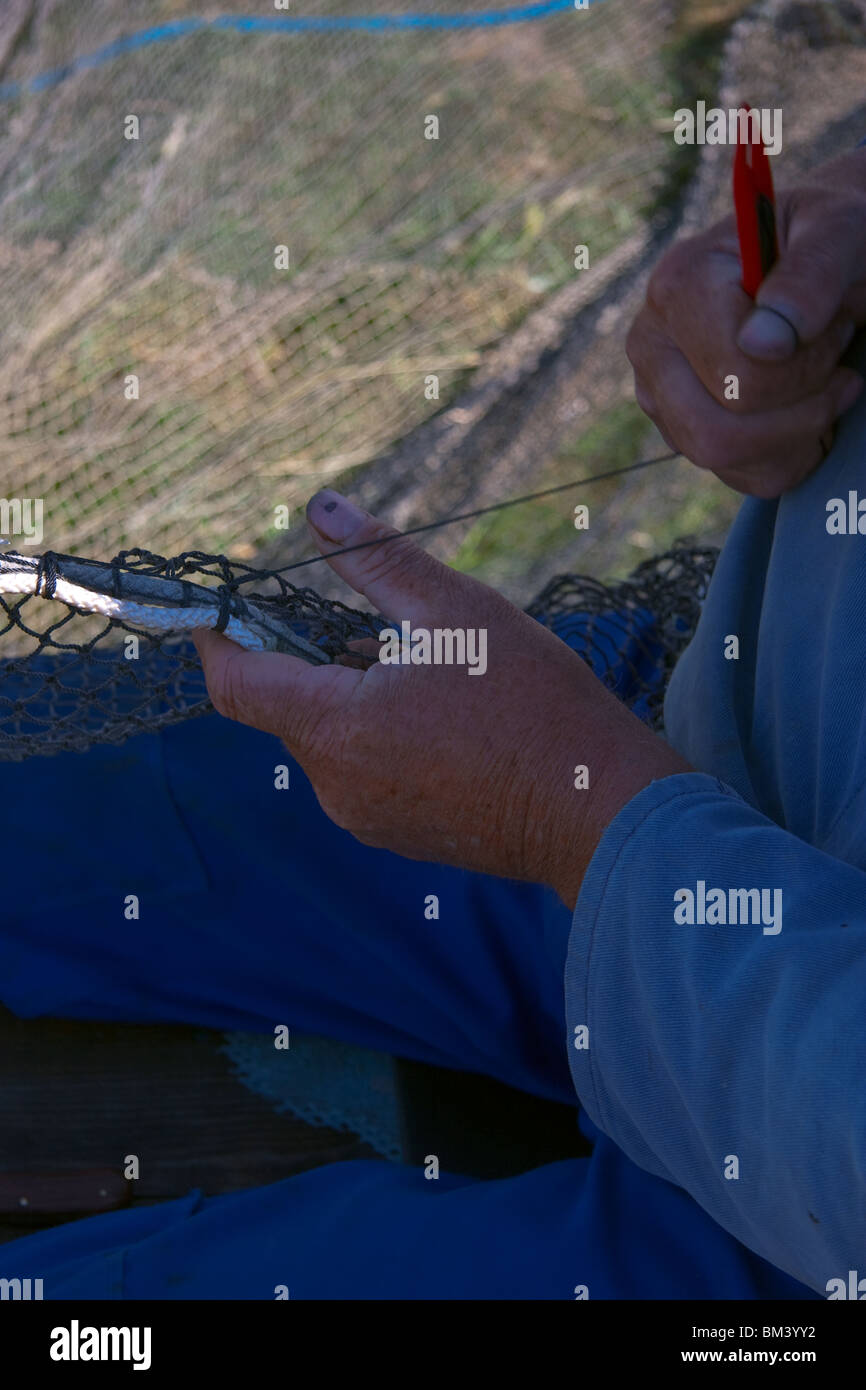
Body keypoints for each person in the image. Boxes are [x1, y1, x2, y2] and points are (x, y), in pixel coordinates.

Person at [1, 141, 864, 1300]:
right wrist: (831, 252)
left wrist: (561, 806)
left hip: (786, 1240)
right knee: (68, 813)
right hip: (682, 743)